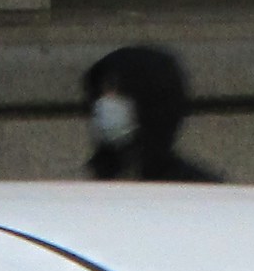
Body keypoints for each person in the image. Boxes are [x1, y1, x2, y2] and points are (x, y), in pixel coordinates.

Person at [81, 43, 220, 182]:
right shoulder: (90, 187)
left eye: (118, 91)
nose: (105, 102)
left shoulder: (198, 188)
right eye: (102, 92)